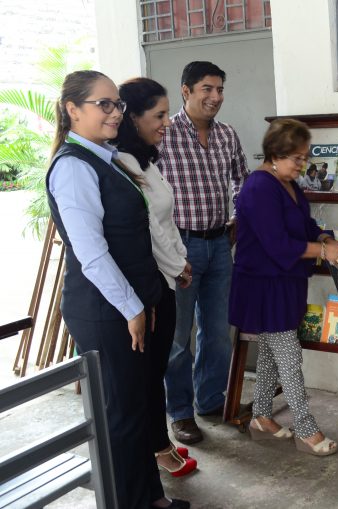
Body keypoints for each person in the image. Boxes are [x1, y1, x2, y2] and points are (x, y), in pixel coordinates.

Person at [45, 70, 189, 508]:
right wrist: (132, 307)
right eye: (103, 104)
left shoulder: (107, 159)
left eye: (117, 104)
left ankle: (152, 497)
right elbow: (91, 253)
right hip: (106, 308)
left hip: (131, 301)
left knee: (139, 408)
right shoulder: (73, 167)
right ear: (73, 110)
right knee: (122, 416)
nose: (115, 113)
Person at [229, 118, 338, 456]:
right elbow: (278, 244)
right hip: (263, 284)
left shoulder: (288, 184)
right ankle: (307, 429)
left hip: (286, 281)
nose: (302, 165)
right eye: (296, 158)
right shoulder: (259, 187)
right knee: (288, 356)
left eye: (304, 157)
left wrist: (324, 237)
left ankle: (261, 418)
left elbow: (305, 224)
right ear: (275, 153)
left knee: (270, 352)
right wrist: (325, 251)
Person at [157, 61, 249, 445]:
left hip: (219, 244)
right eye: (207, 89)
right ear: (186, 91)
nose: (216, 97)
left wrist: (236, 219)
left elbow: (242, 180)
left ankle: (210, 402)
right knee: (179, 337)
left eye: (220, 89)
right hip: (180, 246)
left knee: (216, 333)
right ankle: (180, 413)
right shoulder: (164, 135)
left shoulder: (227, 135)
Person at [115, 77, 198, 478]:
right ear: (132, 118)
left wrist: (180, 260)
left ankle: (160, 444)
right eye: (159, 115)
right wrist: (177, 265)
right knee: (149, 376)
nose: (166, 123)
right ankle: (159, 448)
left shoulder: (147, 158)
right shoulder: (123, 163)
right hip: (148, 284)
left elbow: (167, 220)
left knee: (158, 367)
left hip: (165, 277)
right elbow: (148, 227)